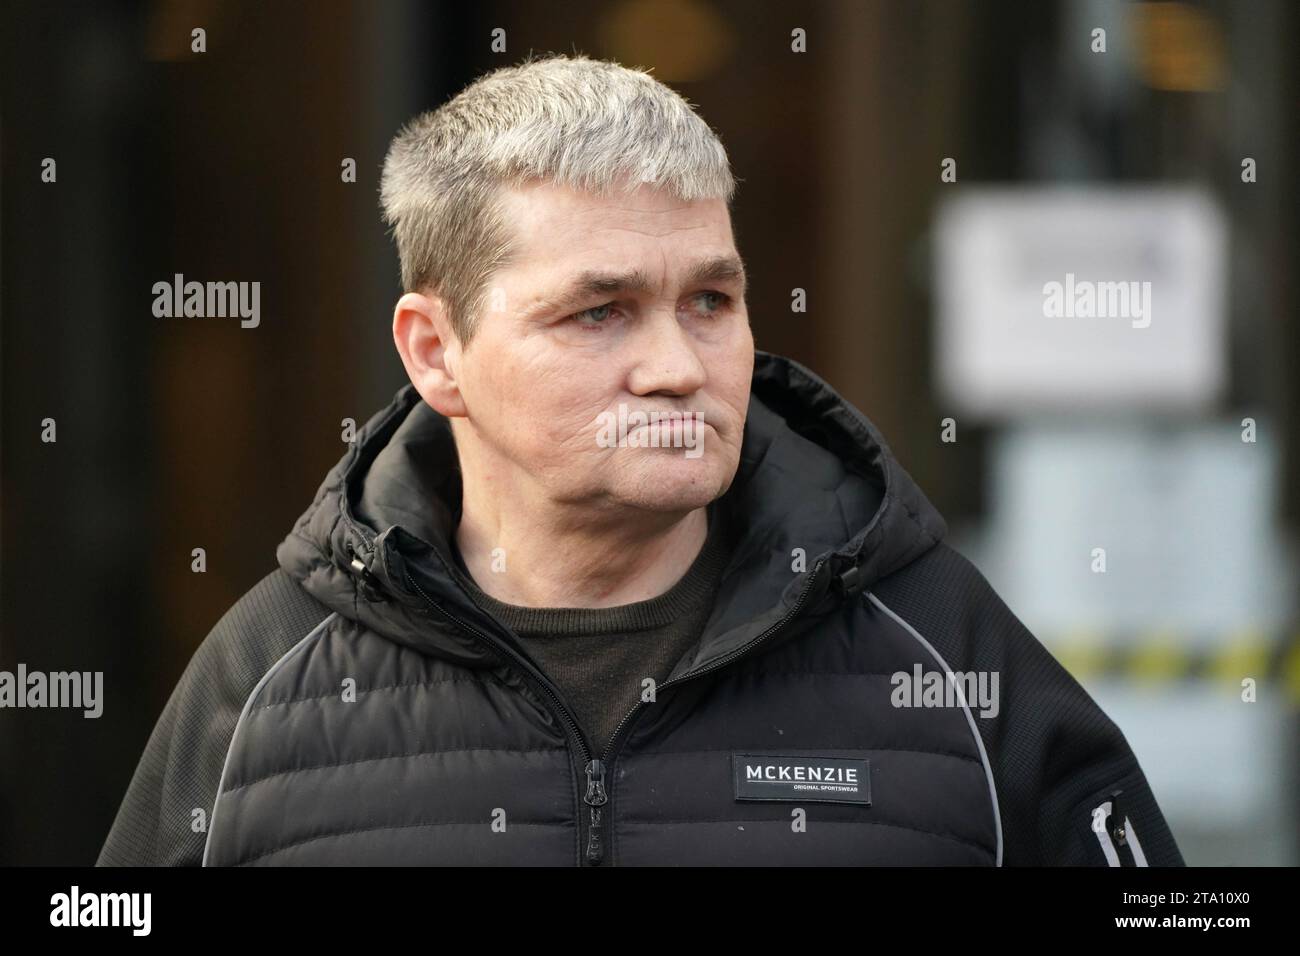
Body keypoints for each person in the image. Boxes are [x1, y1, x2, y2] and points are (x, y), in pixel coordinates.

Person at [98, 52, 1183, 866]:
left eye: (711, 300)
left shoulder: (942, 648)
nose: (677, 365)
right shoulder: (264, 685)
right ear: (437, 353)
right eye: (600, 312)